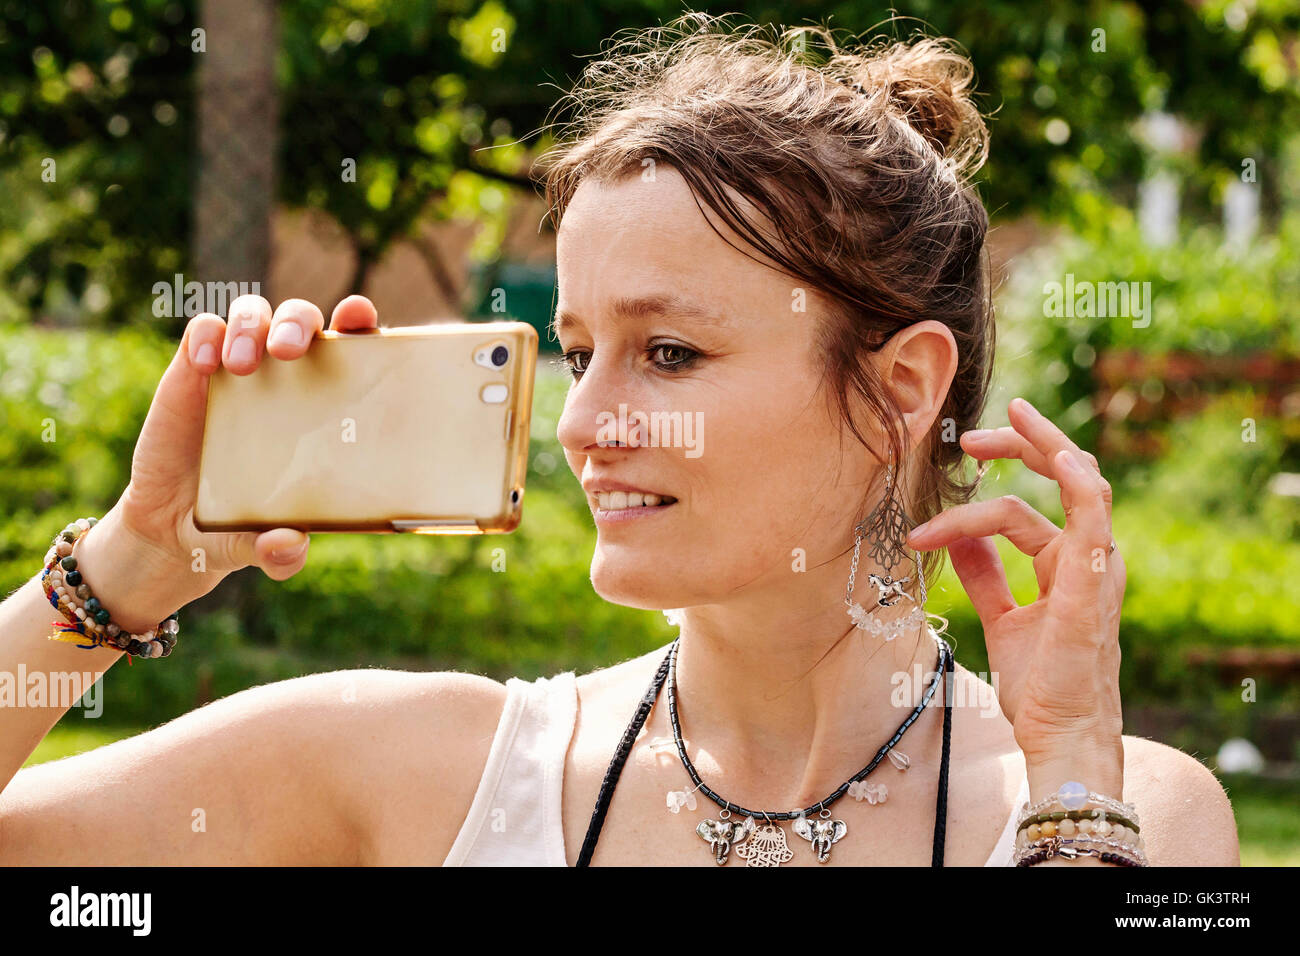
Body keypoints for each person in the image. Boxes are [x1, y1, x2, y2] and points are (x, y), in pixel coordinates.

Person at [0, 14, 1237, 866]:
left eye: (670, 354)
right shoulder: (414, 765)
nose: (584, 424)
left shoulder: (1121, 807)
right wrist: (124, 568)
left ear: (904, 384)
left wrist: (1072, 785)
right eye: (581, 352)